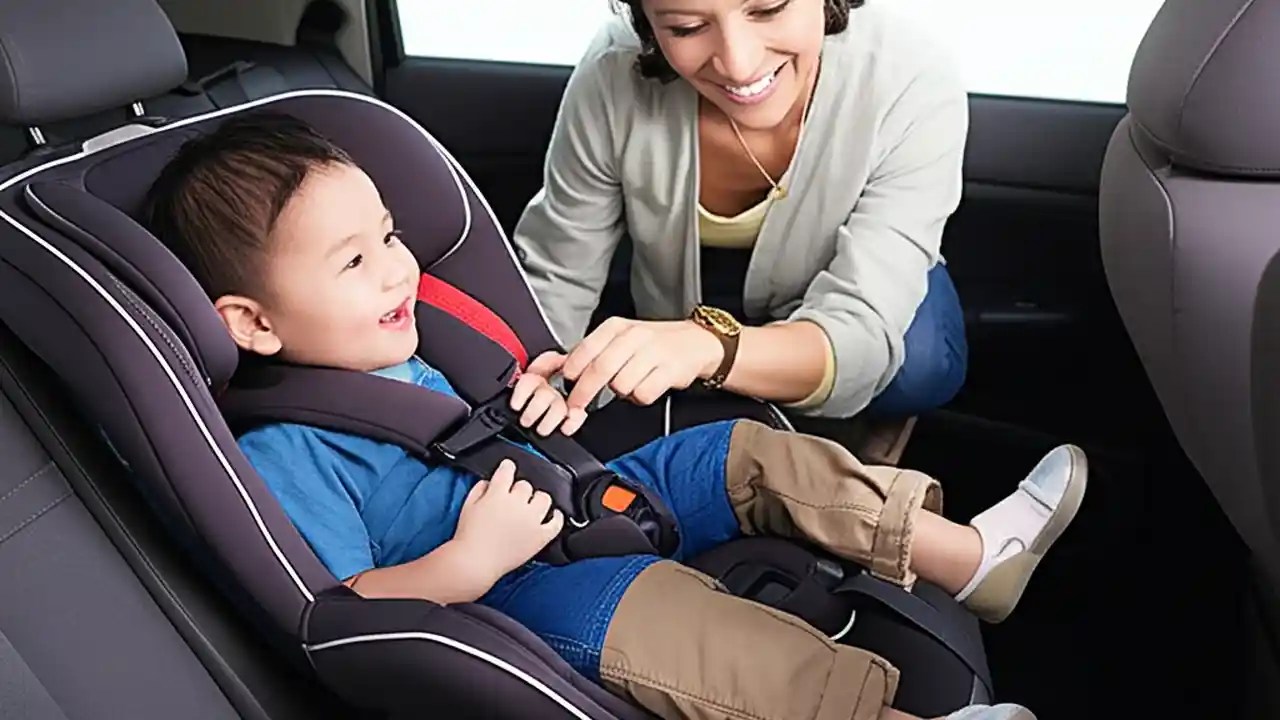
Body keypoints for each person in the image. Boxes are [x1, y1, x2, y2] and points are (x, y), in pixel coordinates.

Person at [143, 113, 1087, 720]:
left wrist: (542, 395)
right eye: (353, 263)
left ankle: (970, 559)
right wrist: (471, 559)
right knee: (682, 626)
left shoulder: (407, 344)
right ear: (253, 324)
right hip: (509, 595)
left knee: (746, 452)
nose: (398, 269)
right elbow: (343, 611)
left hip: (584, 494)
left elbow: (489, 414)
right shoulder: (285, 450)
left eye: (389, 235)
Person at [513, 0, 969, 422]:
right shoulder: (613, 71)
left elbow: (861, 332)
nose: (738, 63)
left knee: (918, 359)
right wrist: (534, 381)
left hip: (841, 278)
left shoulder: (910, 79)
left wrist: (711, 348)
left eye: (768, 8)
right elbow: (559, 275)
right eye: (686, 28)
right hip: (671, 281)